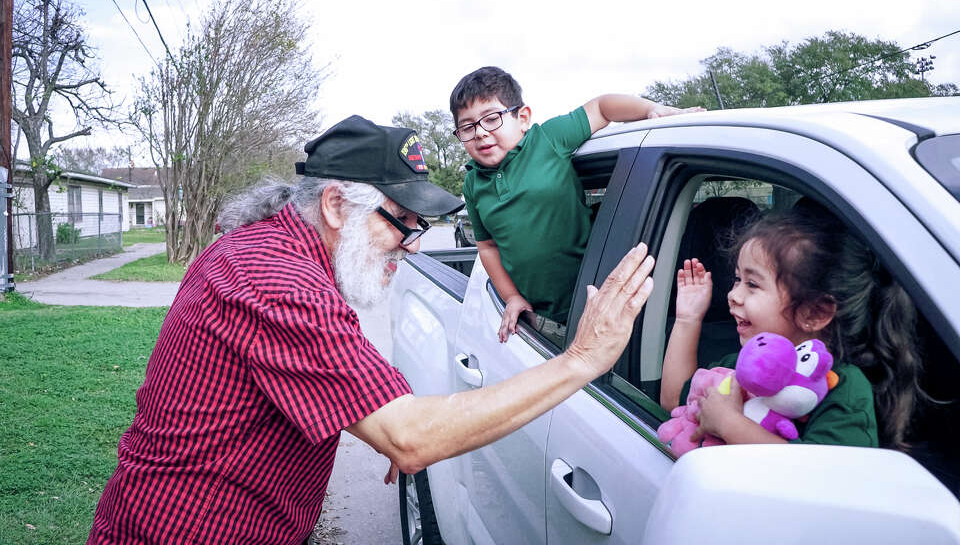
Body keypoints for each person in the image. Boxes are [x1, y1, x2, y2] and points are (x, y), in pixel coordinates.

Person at [87, 115, 657, 545]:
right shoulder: (277, 279)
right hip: (191, 528)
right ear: (336, 205)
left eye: (419, 226)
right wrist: (581, 358)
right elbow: (410, 440)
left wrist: (380, 412)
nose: (413, 246)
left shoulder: (278, 250)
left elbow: (336, 366)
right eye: (401, 221)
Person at [451, 66, 702, 342]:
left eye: (491, 119)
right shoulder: (473, 182)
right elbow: (487, 247)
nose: (480, 133)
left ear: (522, 118)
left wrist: (653, 109)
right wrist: (511, 297)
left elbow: (602, 108)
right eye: (467, 127)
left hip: (598, 302)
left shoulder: (548, 139)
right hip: (542, 321)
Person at [660, 207, 923, 450]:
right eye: (737, 279)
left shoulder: (843, 388)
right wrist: (687, 319)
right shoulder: (741, 365)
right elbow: (674, 400)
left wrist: (729, 424)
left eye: (752, 284)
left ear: (814, 313)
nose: (733, 295)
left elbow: (821, 475)